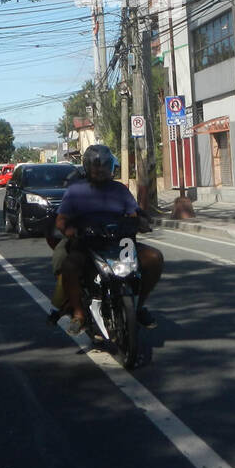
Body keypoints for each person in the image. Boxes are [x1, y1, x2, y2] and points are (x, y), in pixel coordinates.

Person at [48, 143, 163, 335]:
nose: (100, 169)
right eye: (95, 165)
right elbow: (61, 221)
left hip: (120, 243)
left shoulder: (120, 190)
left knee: (154, 258)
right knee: (69, 266)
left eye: (104, 165)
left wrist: (140, 222)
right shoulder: (76, 191)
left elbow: (133, 214)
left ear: (111, 167)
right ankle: (78, 314)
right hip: (87, 243)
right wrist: (70, 231)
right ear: (87, 167)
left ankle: (139, 306)